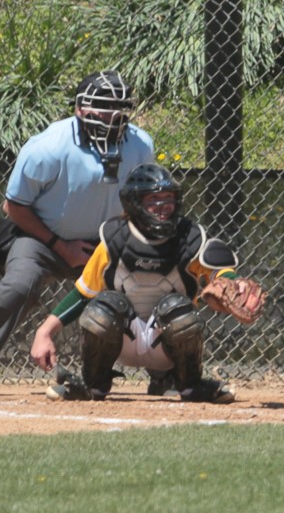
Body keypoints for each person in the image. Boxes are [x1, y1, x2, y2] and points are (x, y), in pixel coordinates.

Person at [0, 70, 155, 395]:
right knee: (20, 285)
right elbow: (13, 207)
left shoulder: (140, 145)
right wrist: (60, 245)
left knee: (151, 284)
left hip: (105, 243)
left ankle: (165, 373)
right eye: (102, 108)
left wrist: (124, 246)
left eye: (118, 108)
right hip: (41, 238)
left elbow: (141, 200)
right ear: (80, 109)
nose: (112, 117)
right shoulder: (48, 146)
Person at [30, 163, 259, 403]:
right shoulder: (114, 238)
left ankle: (190, 386)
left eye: (168, 198)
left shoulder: (189, 237)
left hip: (168, 342)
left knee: (176, 307)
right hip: (121, 340)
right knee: (103, 307)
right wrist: (44, 332)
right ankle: (93, 385)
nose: (163, 207)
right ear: (134, 204)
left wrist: (234, 283)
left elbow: (220, 273)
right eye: (153, 200)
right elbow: (82, 294)